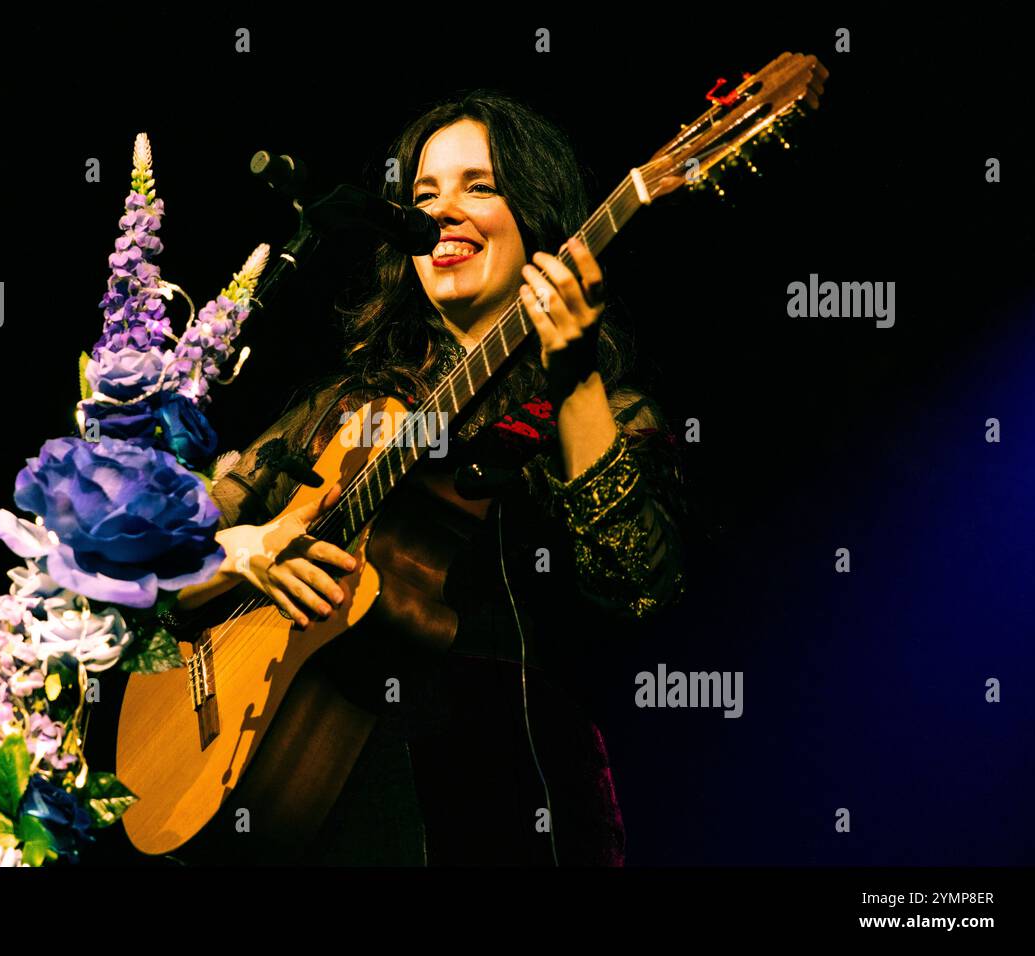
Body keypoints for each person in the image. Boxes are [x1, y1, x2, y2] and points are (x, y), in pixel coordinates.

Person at [162, 89, 685, 865]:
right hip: (336, 806)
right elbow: (140, 564)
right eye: (423, 195)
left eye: (480, 185)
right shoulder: (342, 407)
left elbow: (640, 586)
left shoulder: (609, 407)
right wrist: (241, 551)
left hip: (515, 802)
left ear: (540, 215)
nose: (444, 214)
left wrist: (572, 384)